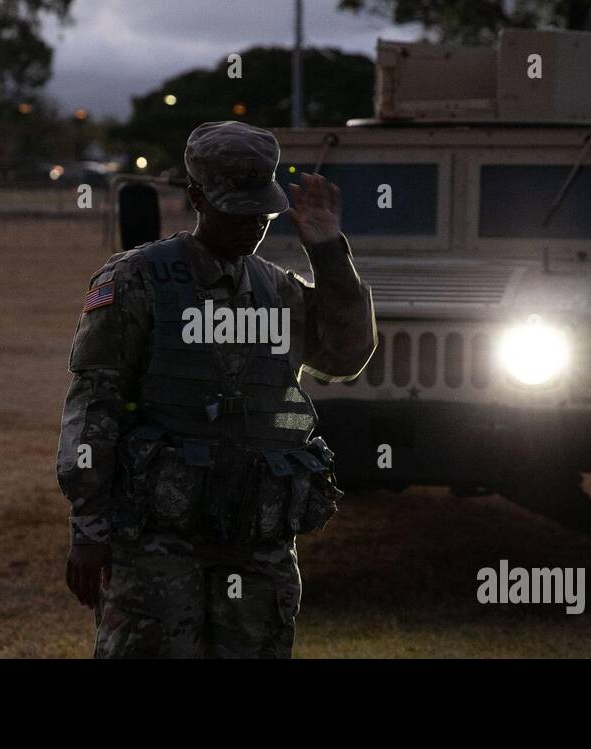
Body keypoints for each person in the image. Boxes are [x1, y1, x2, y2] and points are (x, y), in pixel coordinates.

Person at [56, 120, 376, 657]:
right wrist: (89, 527)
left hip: (257, 539)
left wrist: (329, 256)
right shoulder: (138, 281)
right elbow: (95, 406)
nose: (253, 223)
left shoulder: (280, 291)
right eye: (238, 208)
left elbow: (346, 359)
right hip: (158, 537)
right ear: (198, 198)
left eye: (263, 210)